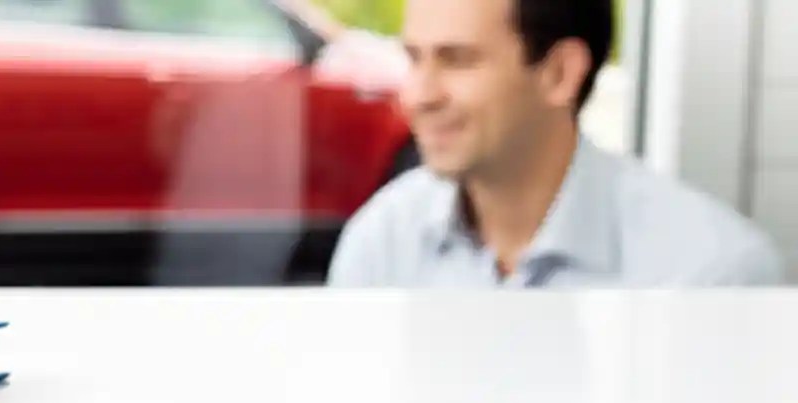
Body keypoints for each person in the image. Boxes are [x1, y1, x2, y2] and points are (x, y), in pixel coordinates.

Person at [326, 0, 786, 288]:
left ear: (560, 74)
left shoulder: (712, 275)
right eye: (414, 59)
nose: (418, 95)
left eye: (458, 60)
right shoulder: (382, 243)